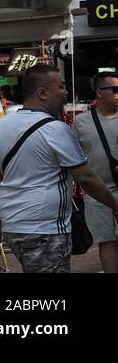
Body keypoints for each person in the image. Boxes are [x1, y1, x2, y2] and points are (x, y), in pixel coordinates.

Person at [0, 64, 118, 273]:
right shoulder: (57, 129)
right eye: (61, 87)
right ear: (42, 93)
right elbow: (86, 178)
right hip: (45, 228)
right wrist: (113, 204)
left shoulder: (0, 127)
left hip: (12, 225)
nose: (66, 93)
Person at [73, 70, 118, 273]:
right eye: (115, 90)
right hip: (97, 192)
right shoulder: (82, 122)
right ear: (99, 92)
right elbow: (74, 157)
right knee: (106, 239)